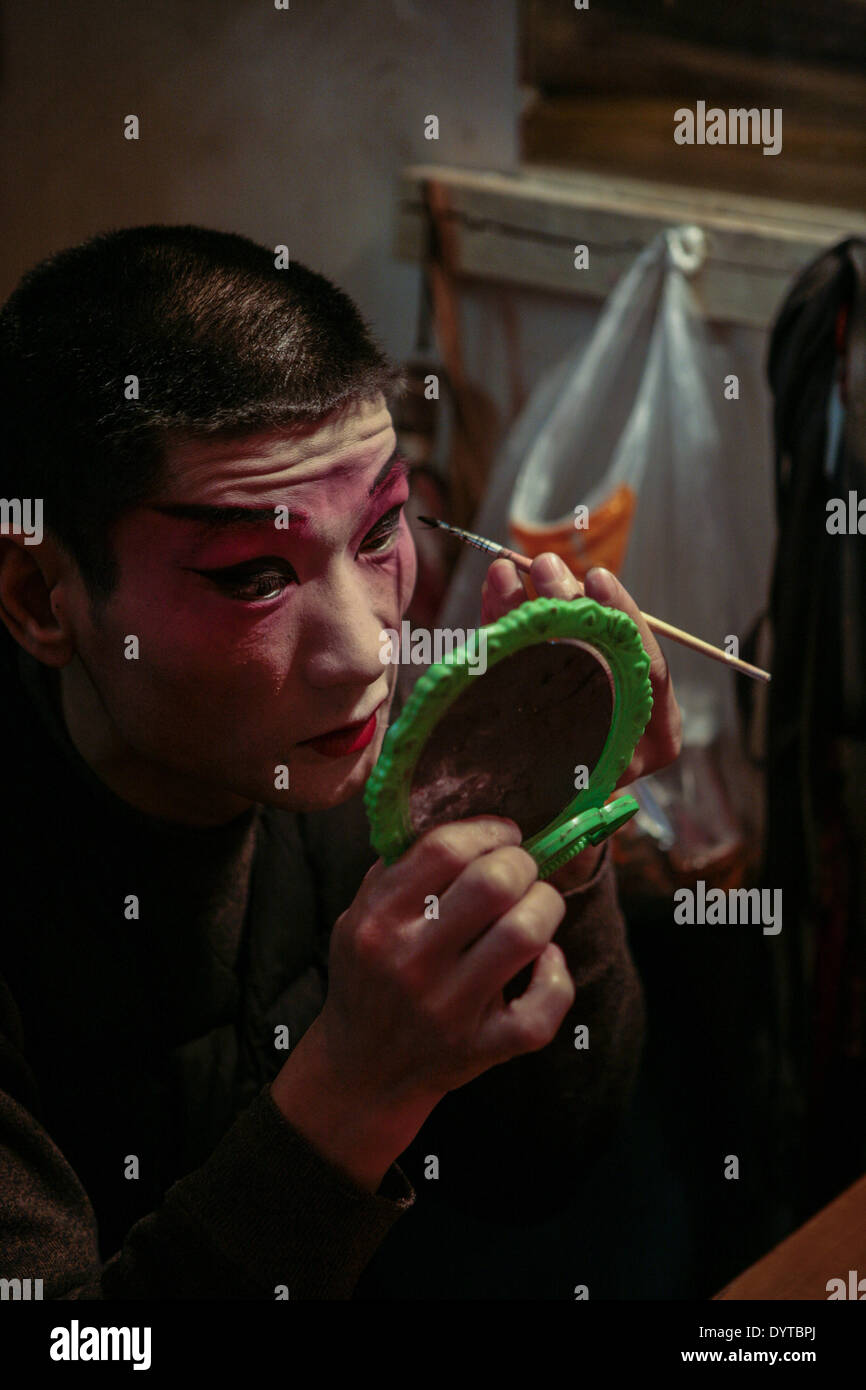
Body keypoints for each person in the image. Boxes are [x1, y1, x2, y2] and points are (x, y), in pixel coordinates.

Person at [0, 226, 681, 1299]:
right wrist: (351, 1094)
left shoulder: (367, 750)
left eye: (377, 532)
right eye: (255, 575)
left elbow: (534, 1168)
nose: (367, 646)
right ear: (44, 598)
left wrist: (558, 830)